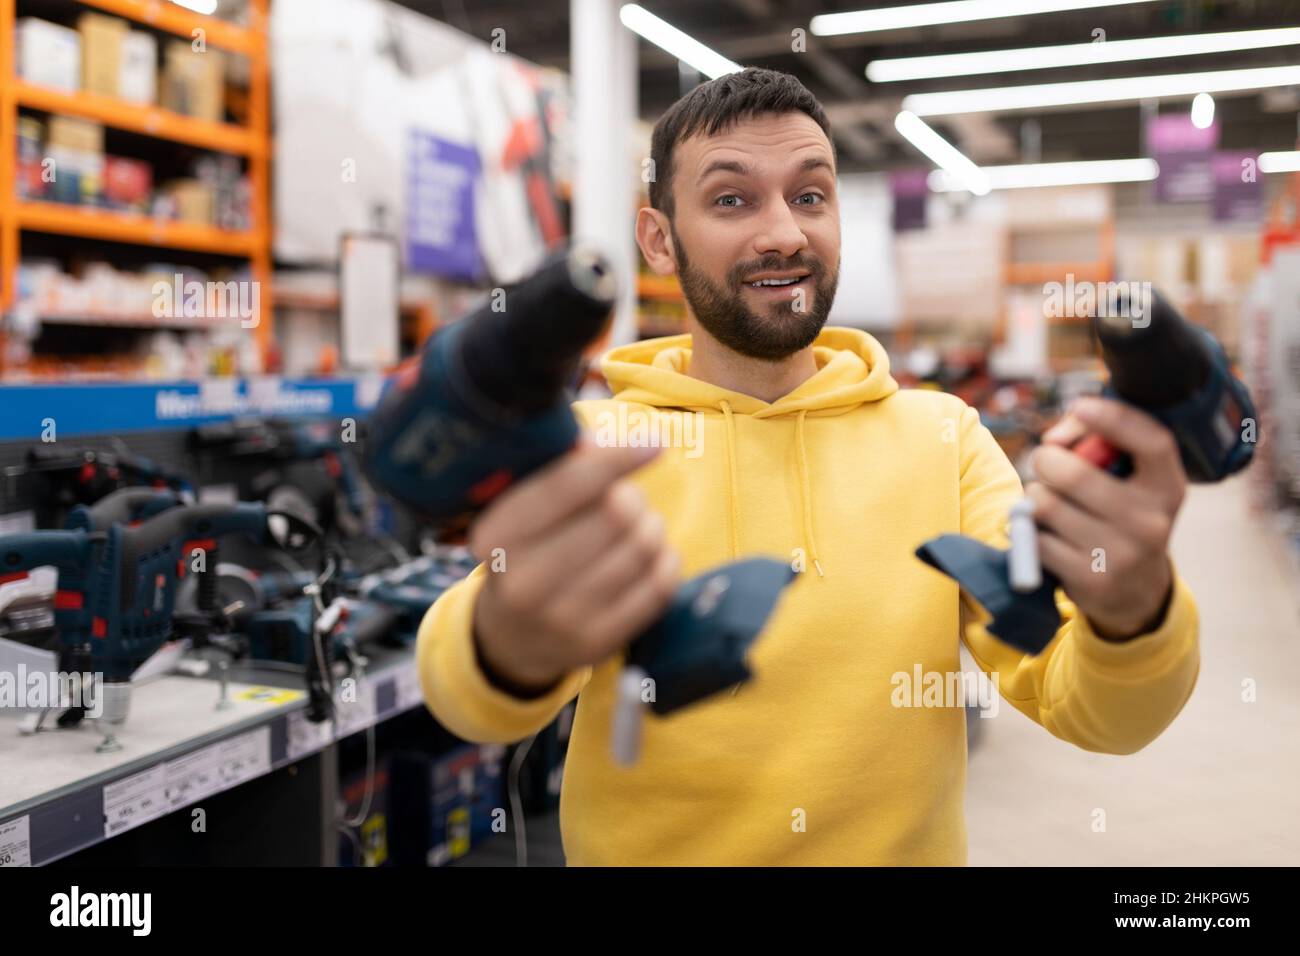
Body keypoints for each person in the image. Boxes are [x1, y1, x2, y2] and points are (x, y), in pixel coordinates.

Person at [416, 67, 1197, 865]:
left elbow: (1101, 715)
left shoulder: (942, 437)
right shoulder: (597, 448)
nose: (784, 232)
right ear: (658, 239)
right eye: (731, 199)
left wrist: (1136, 612)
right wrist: (508, 637)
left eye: (810, 195)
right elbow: (469, 700)